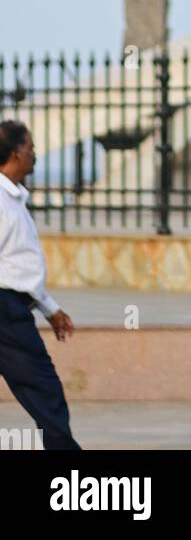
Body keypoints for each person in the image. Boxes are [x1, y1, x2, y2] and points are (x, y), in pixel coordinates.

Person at [0, 121, 80, 450]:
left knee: (43, 393)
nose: (35, 154)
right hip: (5, 313)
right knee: (45, 393)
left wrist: (50, 309)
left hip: (13, 306)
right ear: (17, 153)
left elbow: (17, 266)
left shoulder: (12, 198)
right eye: (31, 148)